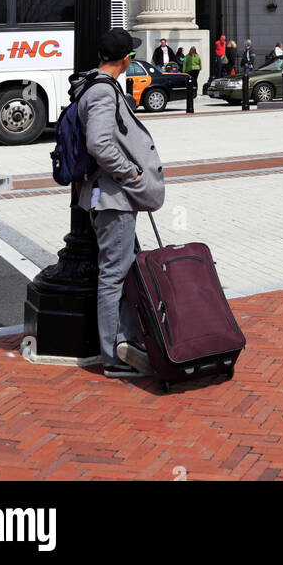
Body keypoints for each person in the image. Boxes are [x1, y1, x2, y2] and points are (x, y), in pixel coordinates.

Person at [74, 27, 166, 379]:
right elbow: (99, 143)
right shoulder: (101, 92)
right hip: (113, 197)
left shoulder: (97, 86)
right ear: (126, 59)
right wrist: (133, 175)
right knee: (114, 274)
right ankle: (113, 355)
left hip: (111, 195)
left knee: (124, 269)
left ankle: (128, 342)